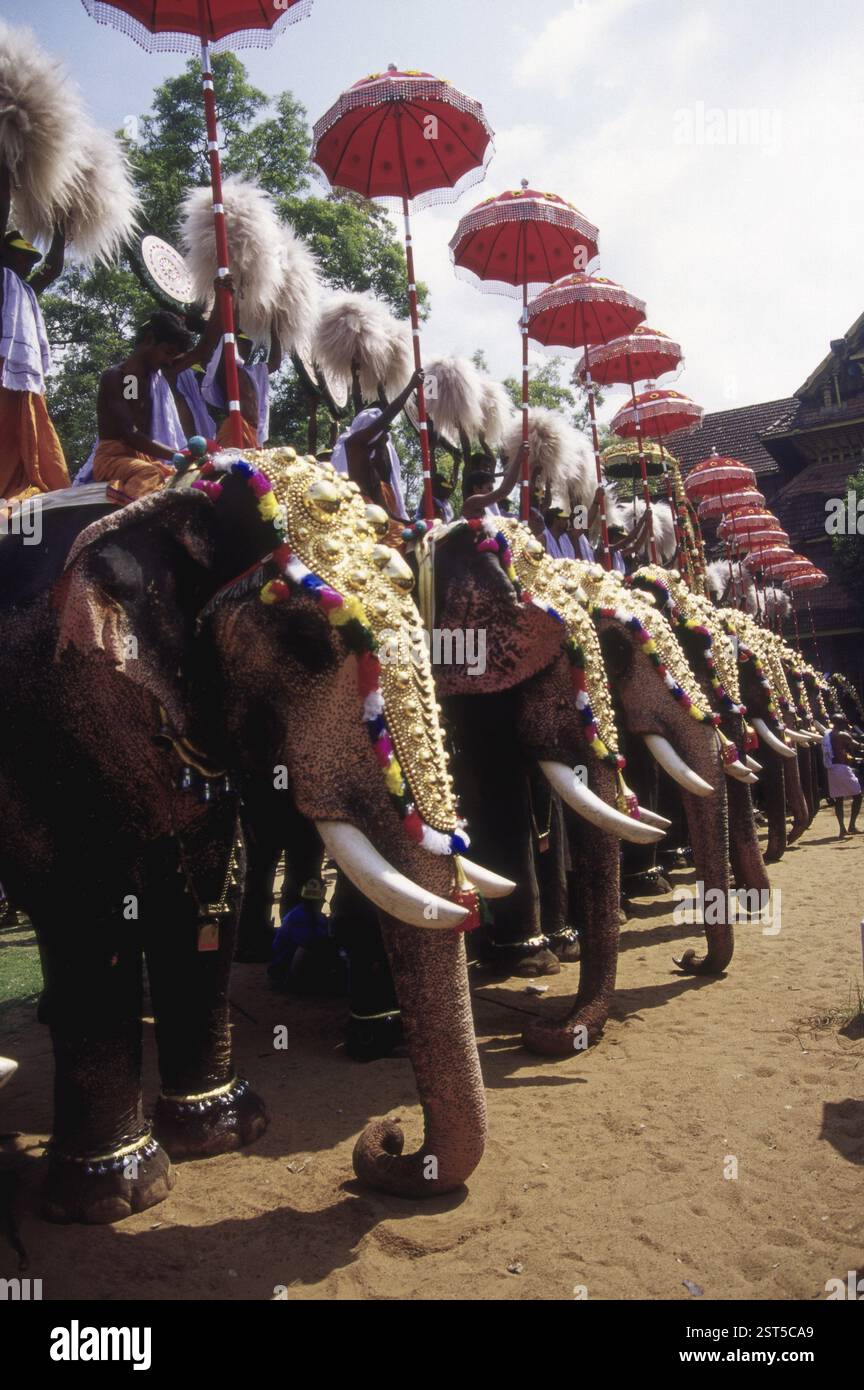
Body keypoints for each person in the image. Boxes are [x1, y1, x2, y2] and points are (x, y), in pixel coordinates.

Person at [92, 308, 216, 501]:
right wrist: (178, 453)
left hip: (142, 458)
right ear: (150, 339)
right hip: (113, 459)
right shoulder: (122, 378)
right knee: (151, 474)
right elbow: (131, 432)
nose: (168, 361)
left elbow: (202, 350)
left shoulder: (150, 379)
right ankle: (127, 521)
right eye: (167, 353)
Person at [0, 226, 70, 501]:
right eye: (22, 257)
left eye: (31, 260)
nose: (28, 264)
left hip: (24, 380)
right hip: (4, 371)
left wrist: (61, 225)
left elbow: (52, 269)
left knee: (29, 449)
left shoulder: (25, 289)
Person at [332, 367, 424, 519]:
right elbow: (386, 417)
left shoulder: (376, 463)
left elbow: (387, 514)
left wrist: (409, 526)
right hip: (359, 522)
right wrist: (411, 386)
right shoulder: (353, 444)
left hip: (380, 522)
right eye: (382, 430)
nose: (386, 435)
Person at [201, 279, 282, 449]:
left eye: (250, 344)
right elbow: (231, 329)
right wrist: (235, 299)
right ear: (236, 342)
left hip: (253, 432)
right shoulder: (226, 368)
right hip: (234, 429)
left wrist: (274, 329)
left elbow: (275, 363)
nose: (249, 347)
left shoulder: (253, 373)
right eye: (245, 342)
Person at [822, 716, 862, 839]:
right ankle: (852, 826)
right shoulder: (842, 735)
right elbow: (857, 746)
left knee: (839, 799)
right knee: (858, 795)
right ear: (841, 723)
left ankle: (842, 829)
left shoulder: (829, 735)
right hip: (842, 769)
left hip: (832, 769)